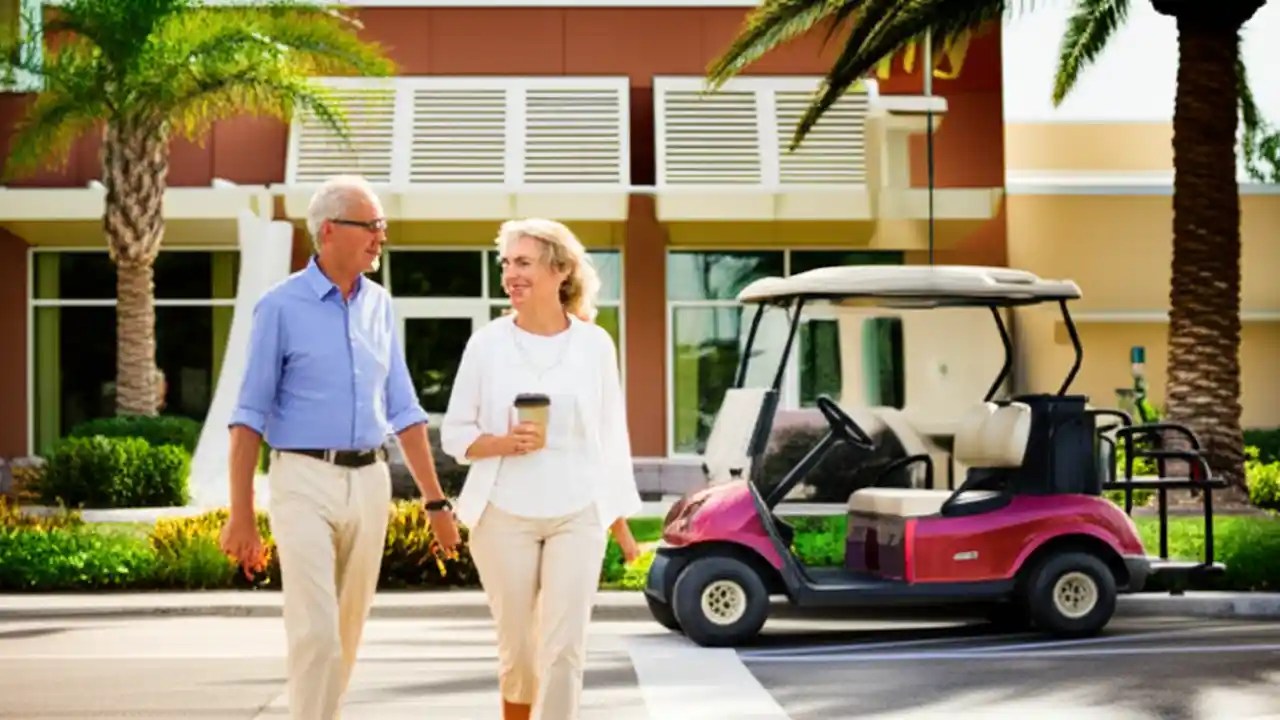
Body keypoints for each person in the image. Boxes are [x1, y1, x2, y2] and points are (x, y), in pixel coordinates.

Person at [218, 174, 461, 720]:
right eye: (370, 225)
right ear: (328, 231)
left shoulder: (380, 305)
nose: (381, 237)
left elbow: (404, 408)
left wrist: (436, 502)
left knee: (347, 634)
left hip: (370, 482)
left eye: (383, 226)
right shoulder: (278, 307)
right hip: (303, 479)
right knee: (317, 632)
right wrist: (241, 515)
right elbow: (248, 415)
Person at [441, 218, 642, 720]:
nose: (511, 274)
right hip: (503, 515)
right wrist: (504, 442)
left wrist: (617, 517)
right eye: (507, 263)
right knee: (520, 652)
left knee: (565, 649)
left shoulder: (595, 345)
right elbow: (454, 435)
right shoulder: (487, 344)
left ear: (560, 271)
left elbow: (611, 438)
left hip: (577, 514)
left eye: (524, 262)